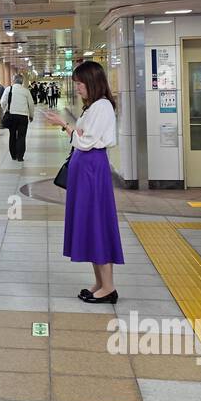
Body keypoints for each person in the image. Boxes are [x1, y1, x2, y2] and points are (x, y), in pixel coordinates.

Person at [45, 60, 123, 304]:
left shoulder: (102, 107)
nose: (77, 88)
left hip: (92, 170)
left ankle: (108, 287)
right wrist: (72, 131)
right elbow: (81, 137)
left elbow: (86, 141)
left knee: (96, 223)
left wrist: (64, 125)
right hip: (86, 170)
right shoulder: (93, 107)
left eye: (80, 83)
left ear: (92, 82)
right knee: (90, 224)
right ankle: (100, 283)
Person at [0, 72, 35, 161]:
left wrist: (6, 110)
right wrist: (31, 115)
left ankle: (13, 155)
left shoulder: (8, 89)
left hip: (12, 115)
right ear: (22, 81)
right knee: (22, 136)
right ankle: (20, 156)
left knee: (12, 135)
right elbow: (31, 104)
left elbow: (2, 102)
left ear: (13, 80)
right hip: (23, 117)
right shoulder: (26, 91)